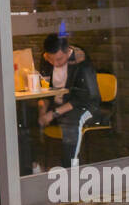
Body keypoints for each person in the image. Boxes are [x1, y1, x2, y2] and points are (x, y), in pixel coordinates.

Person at [36, 34, 101, 168]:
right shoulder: (46, 59)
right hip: (58, 104)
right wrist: (42, 111)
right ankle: (32, 167)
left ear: (67, 51)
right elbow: (45, 89)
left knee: (71, 122)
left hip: (85, 105)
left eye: (59, 59)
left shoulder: (81, 62)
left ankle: (70, 169)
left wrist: (53, 114)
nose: (55, 63)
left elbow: (81, 98)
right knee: (26, 117)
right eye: (50, 59)